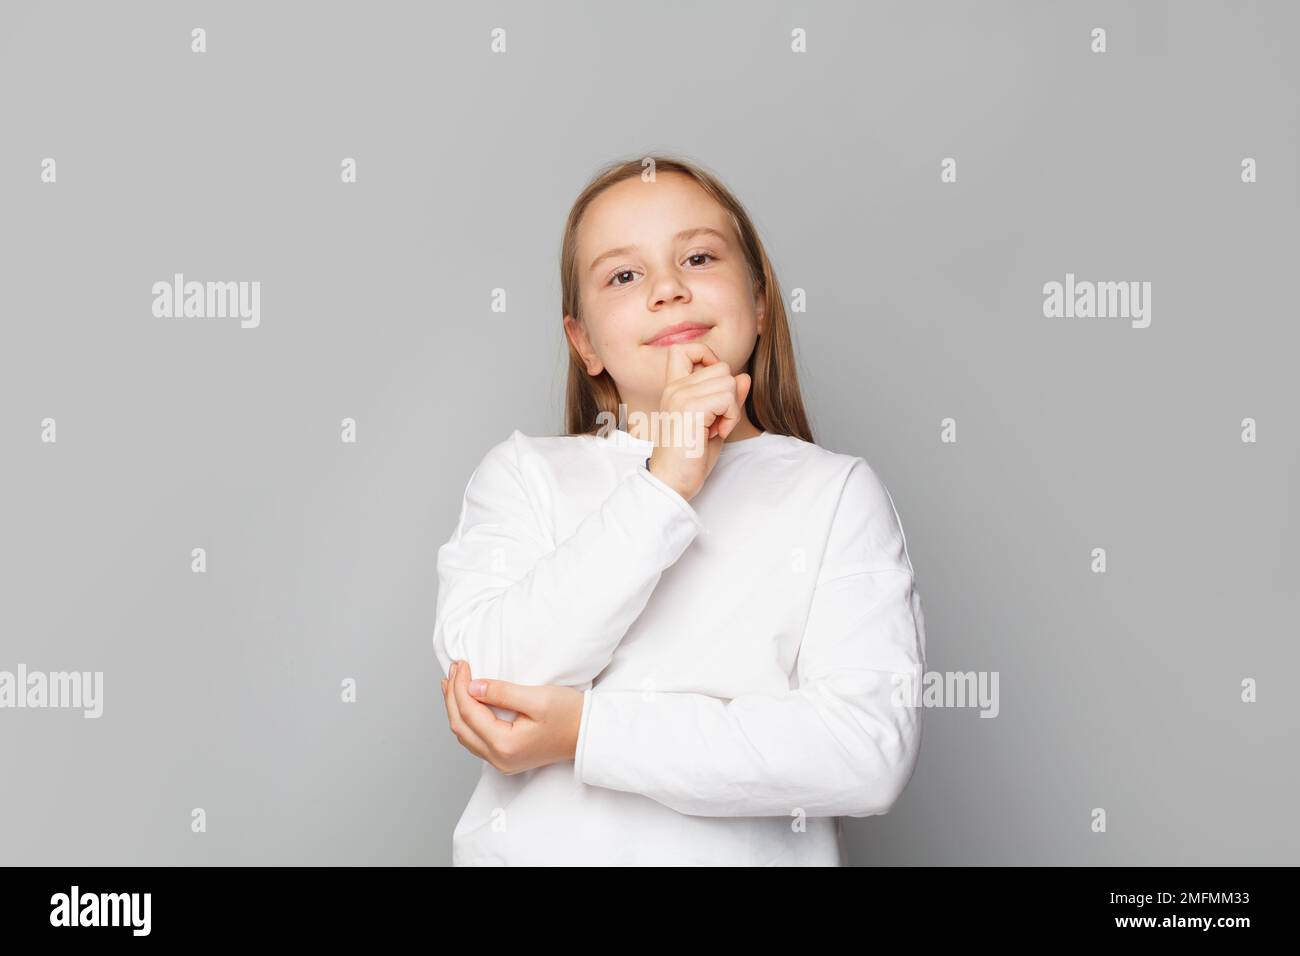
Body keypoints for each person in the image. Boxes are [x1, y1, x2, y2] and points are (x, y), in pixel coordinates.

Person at [432, 155, 926, 865]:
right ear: (585, 344)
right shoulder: (524, 475)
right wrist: (664, 484)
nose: (667, 288)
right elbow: (491, 685)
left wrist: (588, 733)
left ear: (758, 302)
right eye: (624, 275)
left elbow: (862, 751)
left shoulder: (835, 494)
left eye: (697, 257)